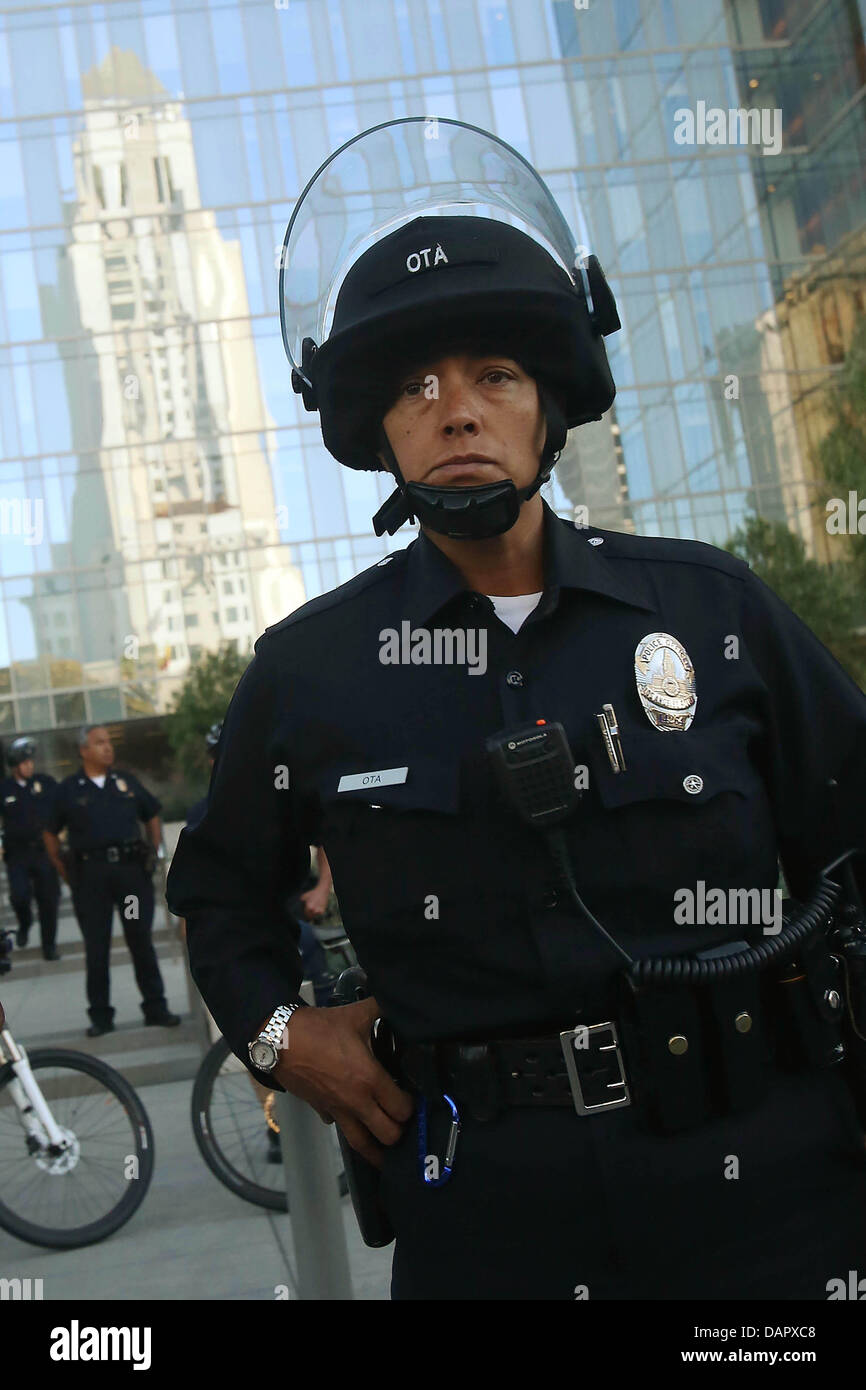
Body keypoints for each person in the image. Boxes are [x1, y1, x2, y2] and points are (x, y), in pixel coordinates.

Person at [167, 118, 866, 1300]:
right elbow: (219, 894)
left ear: (547, 407)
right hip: (486, 1213)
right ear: (376, 429)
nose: (455, 410)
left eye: (493, 375)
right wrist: (286, 1038)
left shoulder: (710, 610)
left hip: (765, 1198)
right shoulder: (309, 669)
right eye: (414, 387)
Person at [43, 725, 180, 1036]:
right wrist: (67, 873)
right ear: (84, 751)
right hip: (92, 881)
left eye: (109, 742)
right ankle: (101, 1016)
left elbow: (151, 813)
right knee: (97, 946)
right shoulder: (69, 789)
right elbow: (50, 835)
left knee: (139, 939)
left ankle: (156, 1007)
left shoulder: (125, 782)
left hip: (130, 877)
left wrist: (154, 851)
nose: (107, 748)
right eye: (99, 743)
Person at [0, 737, 60, 959]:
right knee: (19, 896)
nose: (30, 766)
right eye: (24, 762)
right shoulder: (4, 788)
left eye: (31, 761)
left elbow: (63, 806)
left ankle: (49, 946)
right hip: (17, 854)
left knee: (49, 900)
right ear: (14, 765)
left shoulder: (45, 783)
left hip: (44, 852)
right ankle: (24, 924)